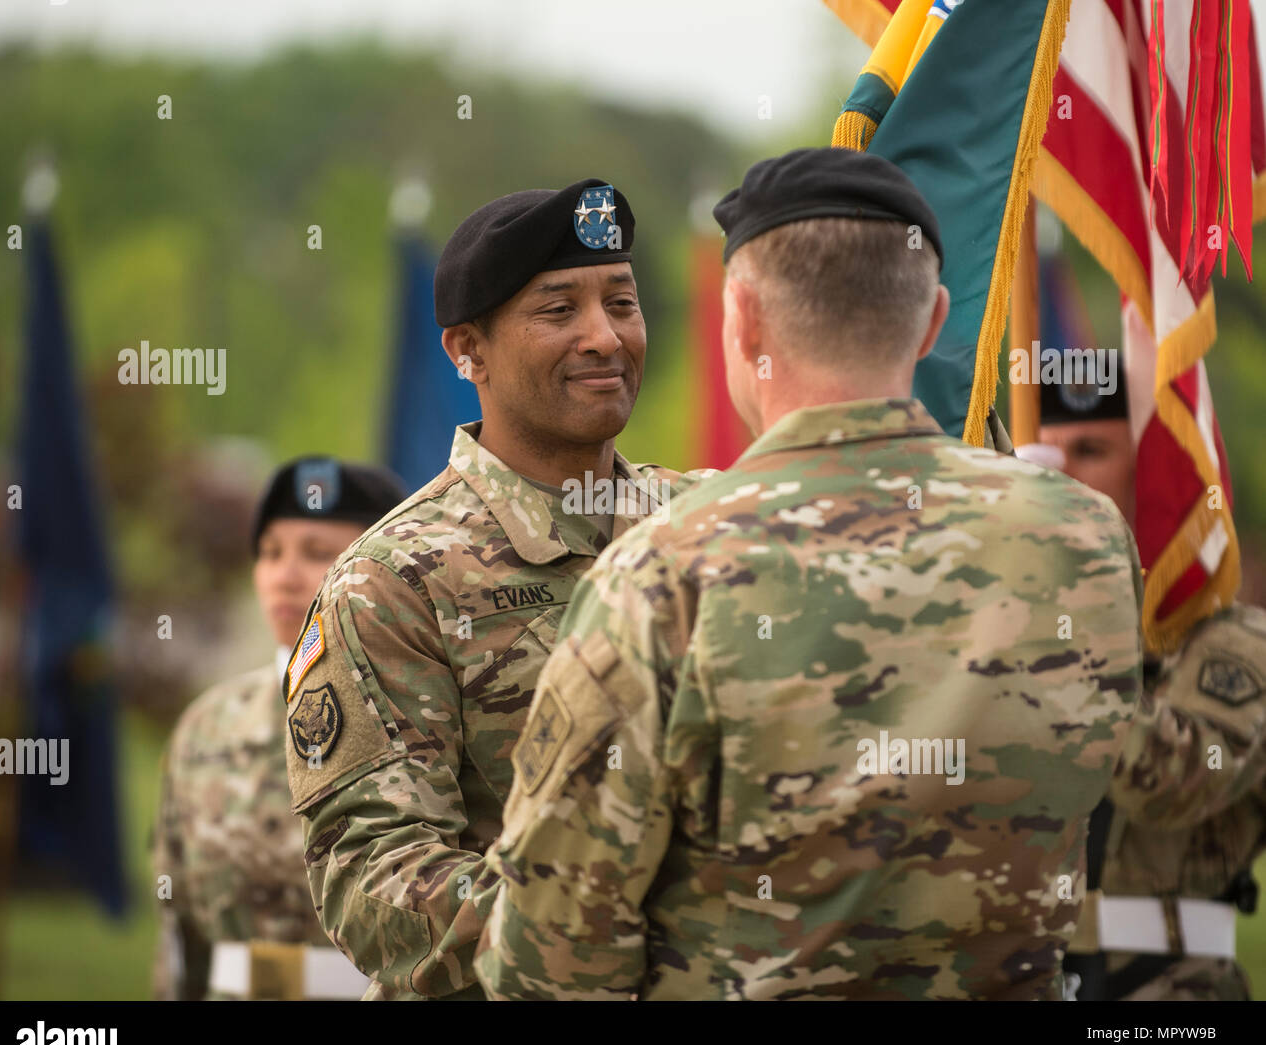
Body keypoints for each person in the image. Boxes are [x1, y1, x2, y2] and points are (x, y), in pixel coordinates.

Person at [474, 147, 1147, 1000]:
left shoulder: (661, 568)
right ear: (936, 321)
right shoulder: (1084, 536)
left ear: (744, 321)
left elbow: (549, 956)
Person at [283, 178, 705, 1000]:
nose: (604, 338)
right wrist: (623, 941)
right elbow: (374, 876)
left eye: (622, 302)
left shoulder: (707, 525)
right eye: (558, 311)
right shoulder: (392, 581)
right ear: (466, 350)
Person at [1034, 373, 1266, 1001]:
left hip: (1170, 998)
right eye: (1043, 453)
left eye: (1089, 452)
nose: (1059, 476)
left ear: (1159, 479)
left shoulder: (1233, 645)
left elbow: (1167, 784)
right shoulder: (1013, 630)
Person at [152, 456, 404, 1000]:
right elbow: (179, 934)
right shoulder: (209, 724)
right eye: (270, 553)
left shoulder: (427, 717)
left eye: (317, 553)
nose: (285, 576)